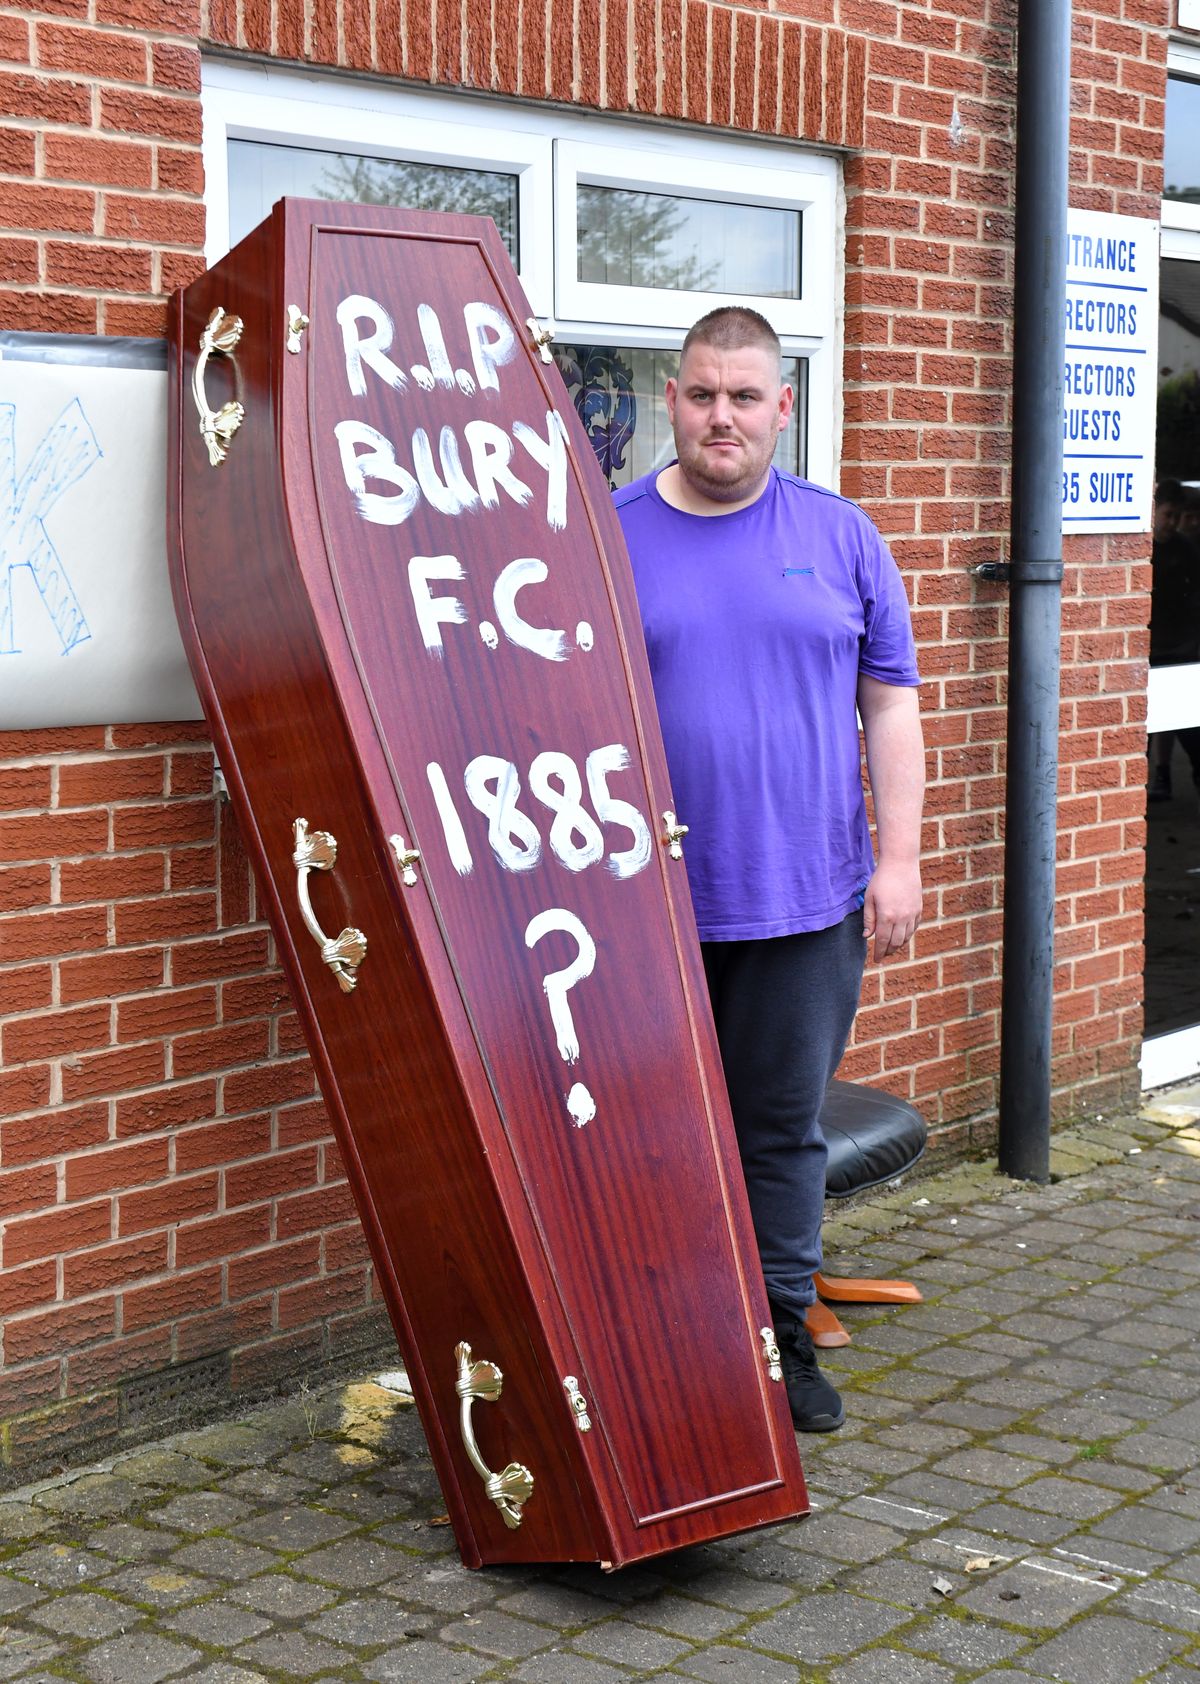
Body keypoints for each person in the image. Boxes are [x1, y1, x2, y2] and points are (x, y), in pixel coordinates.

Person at [614, 307, 925, 1433]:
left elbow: (890, 701)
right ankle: (659, 1335)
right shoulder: (608, 533)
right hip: (642, 904)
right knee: (647, 1123)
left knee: (778, 1125)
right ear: (672, 400)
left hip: (805, 894)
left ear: (782, 406)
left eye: (745, 396)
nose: (722, 417)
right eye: (702, 394)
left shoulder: (842, 535)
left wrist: (899, 858)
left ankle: (781, 1331)